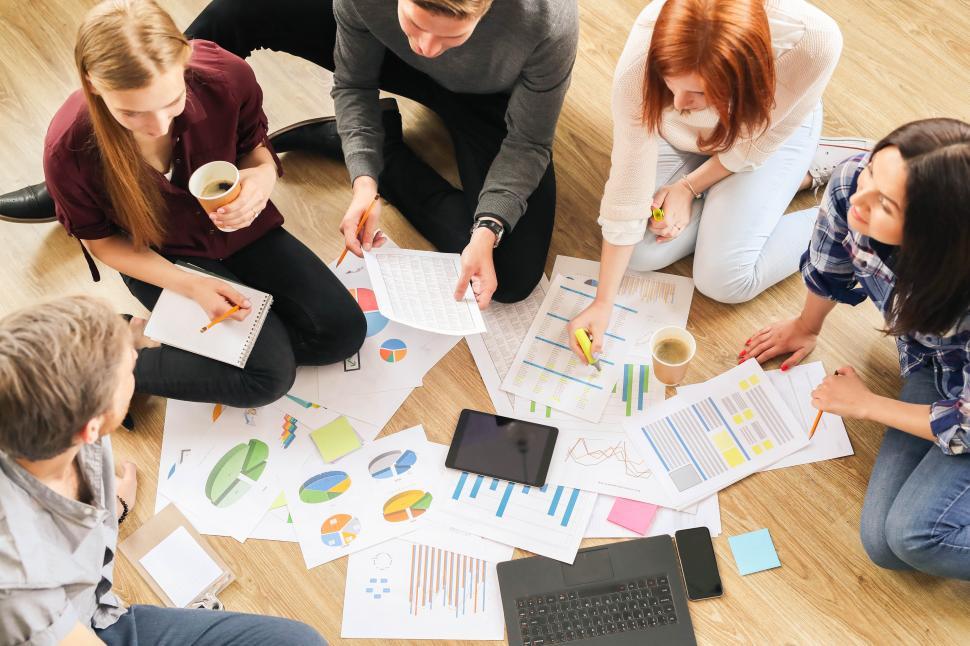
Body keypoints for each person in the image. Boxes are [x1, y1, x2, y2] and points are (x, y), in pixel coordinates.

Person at [42, 0, 365, 408]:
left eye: (173, 101)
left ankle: (196, 344)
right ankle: (99, 363)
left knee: (343, 334)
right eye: (132, 112)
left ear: (185, 59)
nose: (159, 125)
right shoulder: (68, 149)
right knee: (268, 377)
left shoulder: (226, 76)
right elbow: (102, 243)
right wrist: (190, 286)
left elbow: (254, 148)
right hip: (158, 255)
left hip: (239, 227)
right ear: (92, 84)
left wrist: (263, 176)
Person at [178, 0, 578, 307]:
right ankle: (170, 148)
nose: (426, 47)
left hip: (485, 100)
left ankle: (377, 144)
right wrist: (364, 184)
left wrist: (487, 231)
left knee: (510, 273)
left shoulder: (545, 21)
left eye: (451, 36)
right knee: (237, 11)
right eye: (415, 23)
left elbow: (528, 143)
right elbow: (353, 83)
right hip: (387, 51)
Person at [0, 295, 328, 645]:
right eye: (129, 371)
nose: (138, 356)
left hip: (96, 607)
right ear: (90, 427)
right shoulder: (19, 580)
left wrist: (105, 509)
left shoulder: (48, 423)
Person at [568, 0, 867, 361]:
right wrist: (603, 302)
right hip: (685, 138)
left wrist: (689, 187)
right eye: (671, 83)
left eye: (697, 92)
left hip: (764, 132)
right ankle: (782, 182)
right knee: (641, 252)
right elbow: (630, 171)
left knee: (724, 280)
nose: (678, 102)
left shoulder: (812, 41)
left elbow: (755, 144)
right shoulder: (649, 44)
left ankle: (835, 180)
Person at [742, 118, 970, 580]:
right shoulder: (851, 181)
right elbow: (833, 266)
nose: (858, 200)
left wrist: (866, 406)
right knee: (884, 546)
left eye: (884, 203)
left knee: (915, 536)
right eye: (871, 172)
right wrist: (806, 326)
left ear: (934, 232)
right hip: (937, 368)